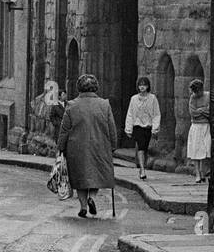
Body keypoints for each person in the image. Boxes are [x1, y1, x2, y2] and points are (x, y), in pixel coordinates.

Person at [56, 74, 117, 217]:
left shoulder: (71, 105)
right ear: (95, 87)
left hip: (76, 148)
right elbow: (112, 128)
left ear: (79, 88)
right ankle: (92, 198)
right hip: (100, 146)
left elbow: (64, 130)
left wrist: (60, 148)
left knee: (80, 178)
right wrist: (113, 146)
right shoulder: (104, 105)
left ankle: (83, 206)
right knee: (96, 175)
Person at [124, 76, 160, 180]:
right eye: (140, 85)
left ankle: (142, 167)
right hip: (137, 126)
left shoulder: (152, 98)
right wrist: (128, 128)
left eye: (144, 85)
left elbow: (156, 114)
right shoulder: (134, 99)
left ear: (148, 86)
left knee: (145, 148)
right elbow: (130, 114)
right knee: (140, 147)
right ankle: (143, 169)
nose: (142, 87)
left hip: (148, 127)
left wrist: (155, 127)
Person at [186, 78, 211, 185]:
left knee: (206, 149)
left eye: (198, 91)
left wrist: (201, 110)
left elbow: (210, 111)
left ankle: (203, 171)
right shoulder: (192, 98)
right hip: (196, 126)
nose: (196, 94)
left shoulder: (208, 96)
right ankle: (197, 173)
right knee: (195, 150)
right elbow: (193, 113)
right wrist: (202, 110)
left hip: (205, 125)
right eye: (194, 92)